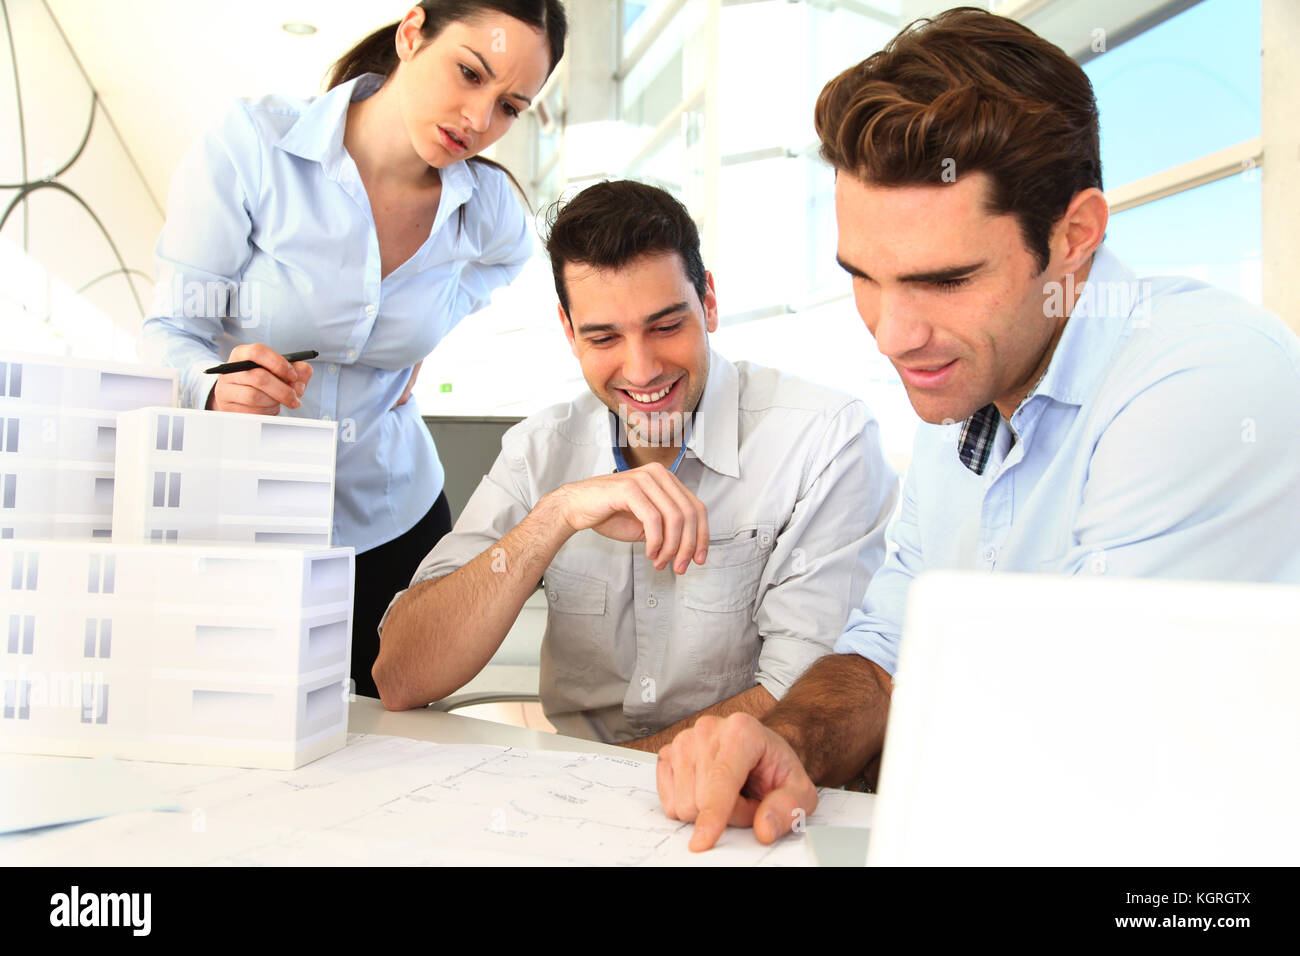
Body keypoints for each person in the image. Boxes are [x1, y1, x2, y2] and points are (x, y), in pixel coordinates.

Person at [656, 7, 1300, 850]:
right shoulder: (971, 381)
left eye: (946, 280)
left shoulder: (1203, 380)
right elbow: (890, 643)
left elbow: (1073, 738)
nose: (892, 335)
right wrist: (794, 740)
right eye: (864, 278)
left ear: (1074, 237)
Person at [374, 180, 899, 748]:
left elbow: (802, 696)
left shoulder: (823, 439)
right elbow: (401, 677)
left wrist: (607, 779)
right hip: (578, 798)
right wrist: (555, 516)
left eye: (666, 326)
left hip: (742, 795)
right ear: (570, 333)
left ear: (710, 303)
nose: (642, 369)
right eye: (604, 337)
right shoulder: (541, 449)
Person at [139, 2, 568, 698]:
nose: (479, 119)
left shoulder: (485, 207)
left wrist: (429, 323)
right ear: (411, 32)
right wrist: (212, 387)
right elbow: (168, 333)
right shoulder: (254, 148)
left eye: (510, 106)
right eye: (468, 73)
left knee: (390, 749)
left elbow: (505, 262)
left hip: (394, 516)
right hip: (249, 522)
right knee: (249, 740)